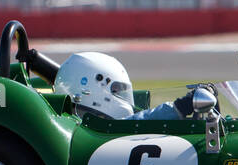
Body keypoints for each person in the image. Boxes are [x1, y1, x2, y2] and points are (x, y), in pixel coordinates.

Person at [53, 51, 200, 120]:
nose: (121, 95)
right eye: (116, 89)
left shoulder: (69, 122)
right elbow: (136, 123)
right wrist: (180, 107)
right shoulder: (84, 128)